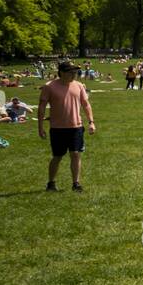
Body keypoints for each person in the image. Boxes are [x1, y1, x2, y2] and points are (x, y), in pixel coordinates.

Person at [38, 61, 96, 192]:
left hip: (76, 127)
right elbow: (41, 107)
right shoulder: (49, 87)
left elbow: (86, 104)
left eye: (75, 72)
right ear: (62, 73)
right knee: (57, 156)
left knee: (75, 154)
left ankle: (76, 183)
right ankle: (51, 183)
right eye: (71, 72)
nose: (74, 74)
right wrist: (40, 127)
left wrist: (91, 122)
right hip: (57, 128)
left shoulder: (79, 86)